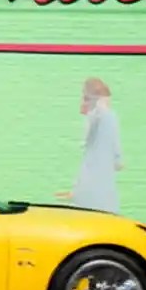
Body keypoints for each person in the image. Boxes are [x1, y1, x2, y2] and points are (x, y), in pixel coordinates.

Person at [56, 77, 123, 213]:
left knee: (99, 196)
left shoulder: (103, 115)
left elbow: (111, 140)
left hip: (99, 168)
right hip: (96, 168)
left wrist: (117, 158)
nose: (83, 102)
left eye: (86, 98)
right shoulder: (100, 117)